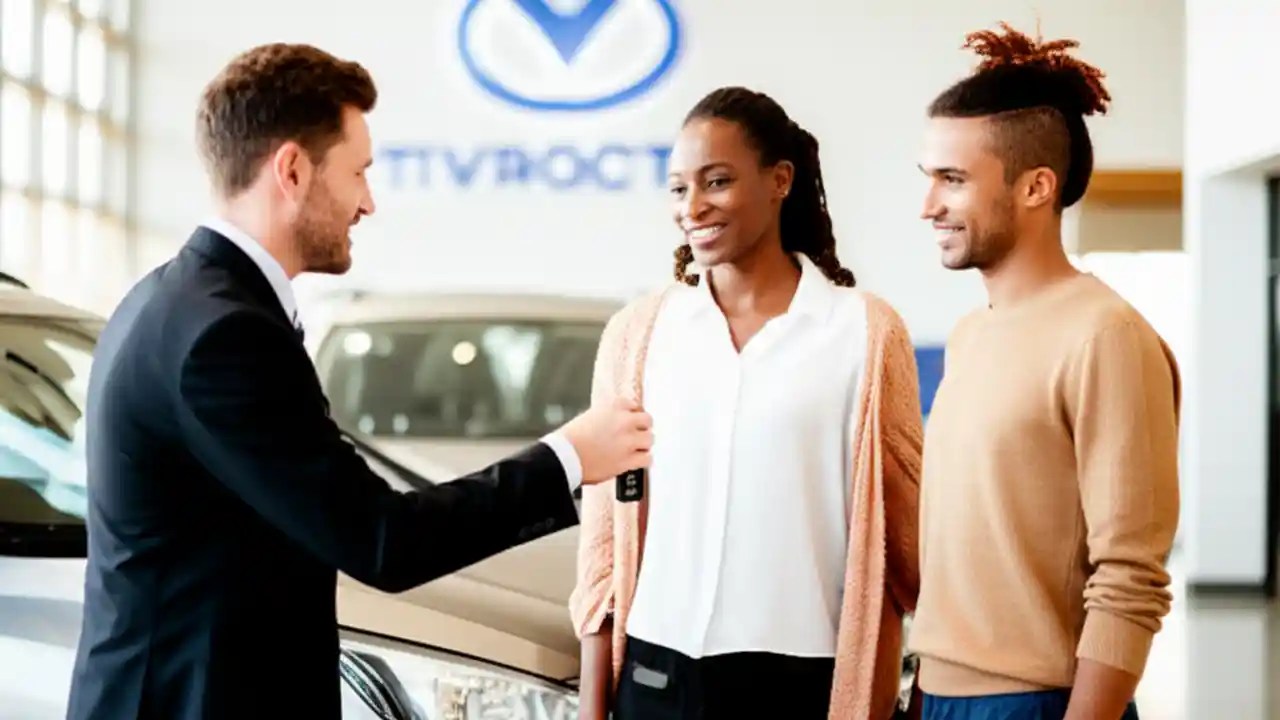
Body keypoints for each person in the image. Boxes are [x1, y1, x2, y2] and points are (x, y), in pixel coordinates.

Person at [65, 43, 653, 720]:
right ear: (291, 169)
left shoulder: (172, 301)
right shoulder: (224, 336)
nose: (368, 202)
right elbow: (381, 540)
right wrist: (571, 455)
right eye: (358, 172)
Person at [569, 86, 925, 720]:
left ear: (780, 180)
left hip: (804, 680)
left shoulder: (865, 333)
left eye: (718, 181)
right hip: (657, 674)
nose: (693, 206)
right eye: (679, 189)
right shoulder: (639, 335)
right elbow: (602, 550)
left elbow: (907, 547)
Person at [909, 23, 1181, 720]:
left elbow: (1129, 578)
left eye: (953, 180)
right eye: (929, 178)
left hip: (1036, 703)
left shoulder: (1107, 337)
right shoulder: (972, 335)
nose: (928, 205)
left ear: (1035, 187)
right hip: (936, 694)